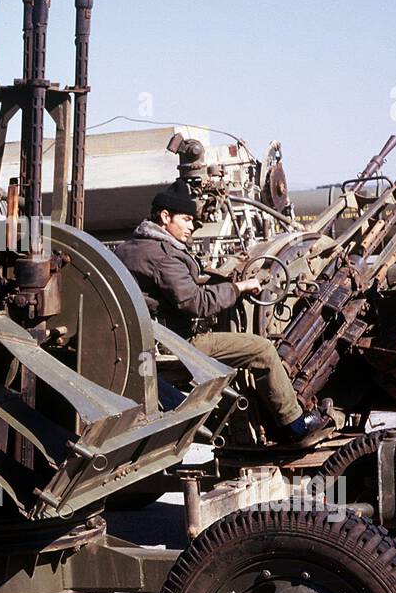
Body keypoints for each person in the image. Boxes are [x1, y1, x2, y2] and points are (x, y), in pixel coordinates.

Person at [115, 182, 329, 442]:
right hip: (175, 344)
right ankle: (294, 426)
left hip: (147, 340)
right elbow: (197, 304)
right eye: (186, 219)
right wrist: (238, 287)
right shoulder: (163, 255)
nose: (191, 226)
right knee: (262, 350)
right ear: (164, 217)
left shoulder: (129, 247)